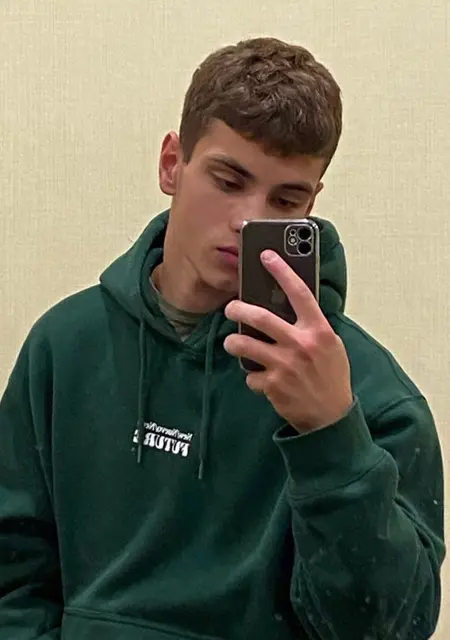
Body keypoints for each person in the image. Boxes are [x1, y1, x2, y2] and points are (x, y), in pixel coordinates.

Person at [0, 36, 445, 640]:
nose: (247, 220)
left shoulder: (371, 396)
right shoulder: (65, 345)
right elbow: (13, 576)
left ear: (312, 205)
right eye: (229, 180)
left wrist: (332, 437)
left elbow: (389, 629)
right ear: (171, 164)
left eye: (285, 199)